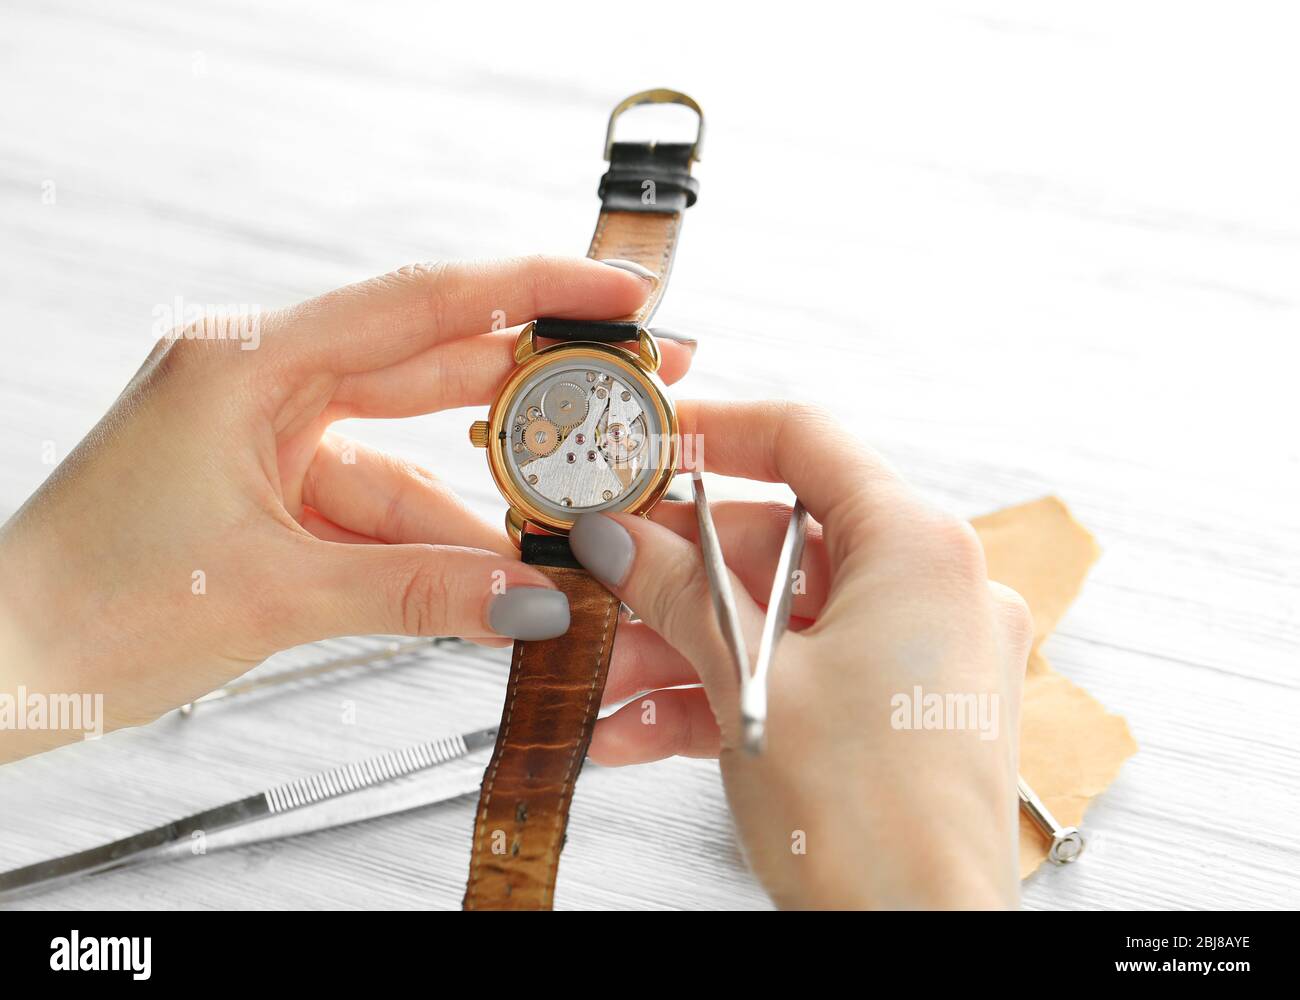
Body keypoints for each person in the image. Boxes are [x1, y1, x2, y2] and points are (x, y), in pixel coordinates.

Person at [0, 256, 1031, 909]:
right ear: (501, 441)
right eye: (553, 434)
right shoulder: (592, 447)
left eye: (600, 434)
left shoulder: (557, 437)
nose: (581, 445)